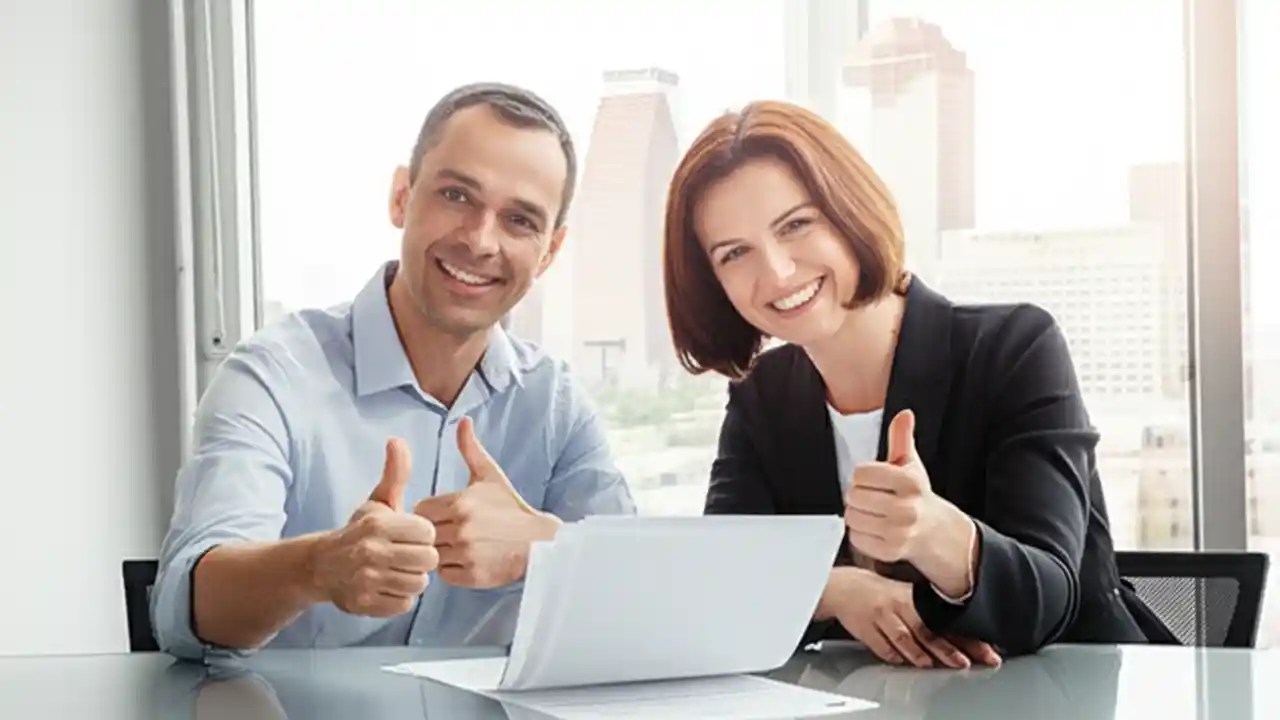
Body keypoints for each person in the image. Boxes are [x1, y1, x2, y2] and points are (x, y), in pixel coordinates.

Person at [661, 100, 1175, 669]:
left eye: (797, 224)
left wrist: (935, 535)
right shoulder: (761, 398)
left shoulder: (1014, 348)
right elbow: (720, 578)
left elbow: (1050, 597)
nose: (778, 272)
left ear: (848, 211)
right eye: (735, 253)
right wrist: (838, 590)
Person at [152, 82, 635, 660]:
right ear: (402, 197)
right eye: (456, 195)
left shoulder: (555, 404)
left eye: (519, 220)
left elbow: (644, 607)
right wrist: (319, 568)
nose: (481, 240)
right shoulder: (274, 376)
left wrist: (545, 547)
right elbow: (185, 609)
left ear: (550, 252)